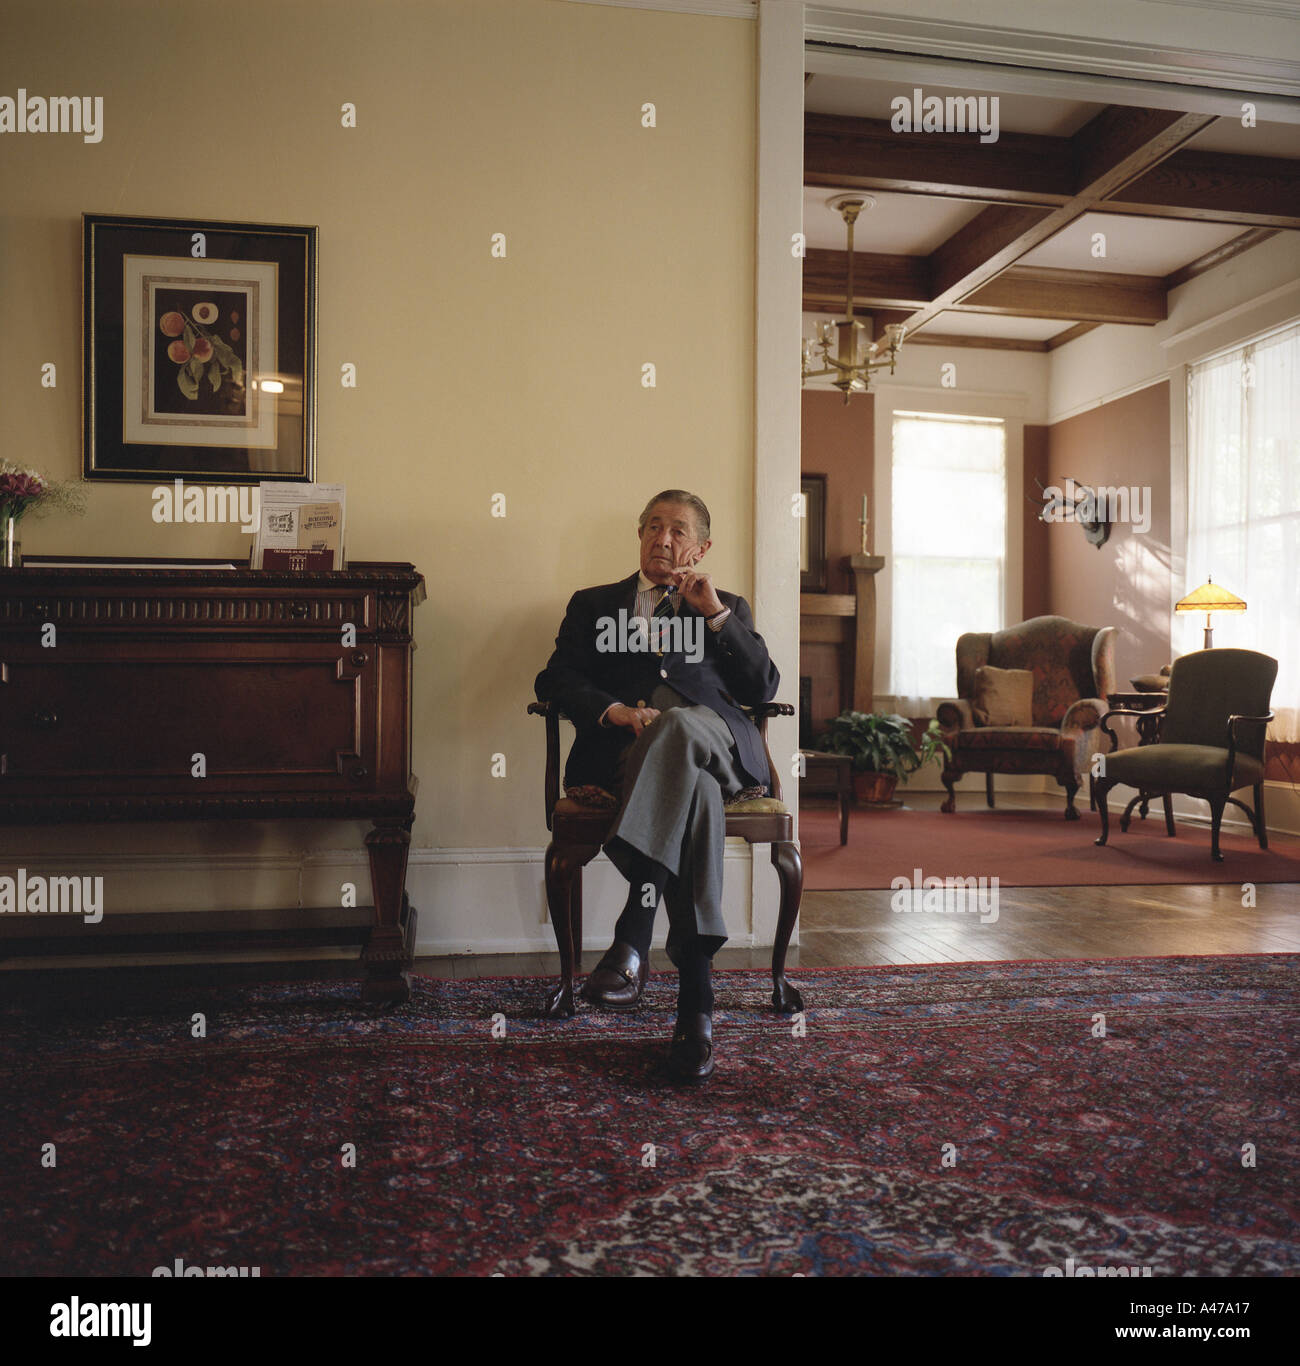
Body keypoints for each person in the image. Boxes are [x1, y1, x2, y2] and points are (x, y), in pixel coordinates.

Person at [534, 490, 780, 1083]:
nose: (662, 539)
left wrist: (715, 614)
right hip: (631, 758)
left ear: (702, 546)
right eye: (652, 527)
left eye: (677, 530)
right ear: (639, 534)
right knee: (688, 788)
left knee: (678, 726)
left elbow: (764, 686)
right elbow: (556, 677)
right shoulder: (594, 605)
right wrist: (615, 710)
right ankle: (695, 1011)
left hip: (716, 741)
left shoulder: (727, 607)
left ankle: (633, 933)